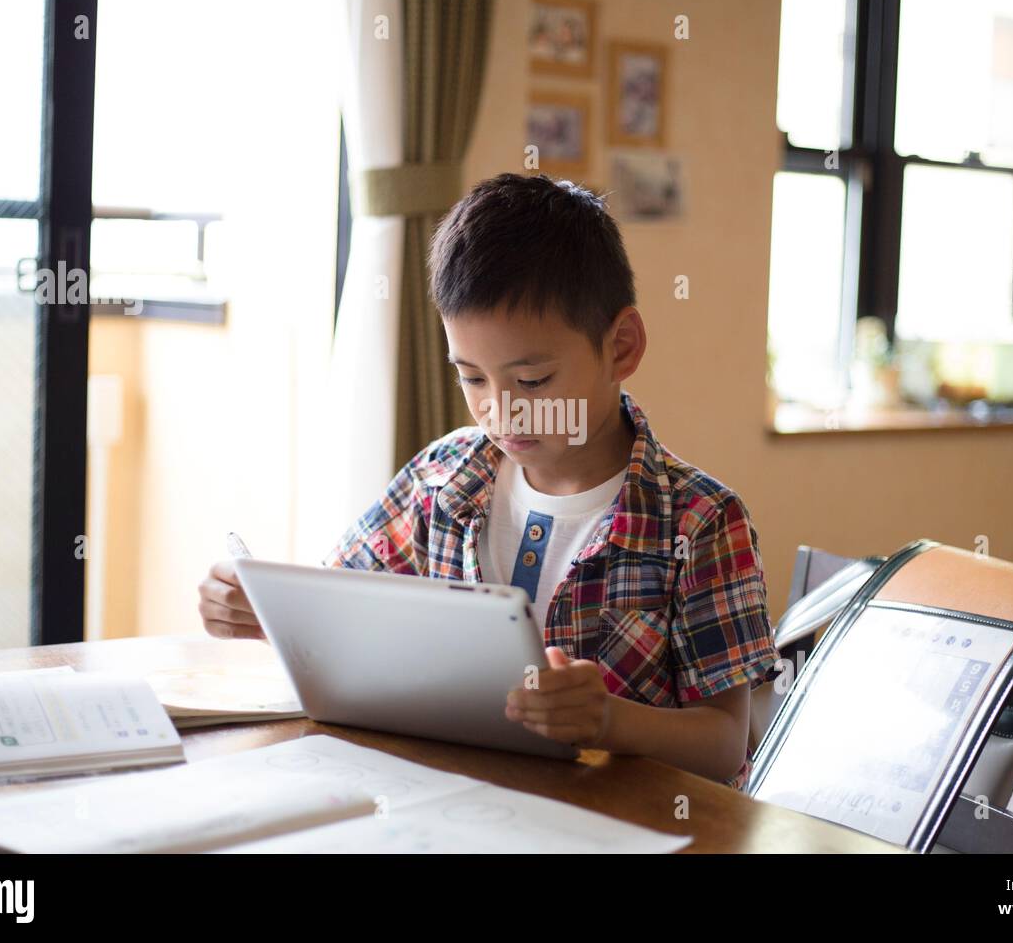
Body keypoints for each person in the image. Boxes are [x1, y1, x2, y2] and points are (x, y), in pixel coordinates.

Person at [198, 173, 777, 790]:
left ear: (622, 348)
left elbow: (724, 742)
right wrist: (263, 611)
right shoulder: (441, 481)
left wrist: (609, 720)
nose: (500, 411)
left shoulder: (698, 520)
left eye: (531, 382)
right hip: (452, 805)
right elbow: (340, 613)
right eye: (472, 378)